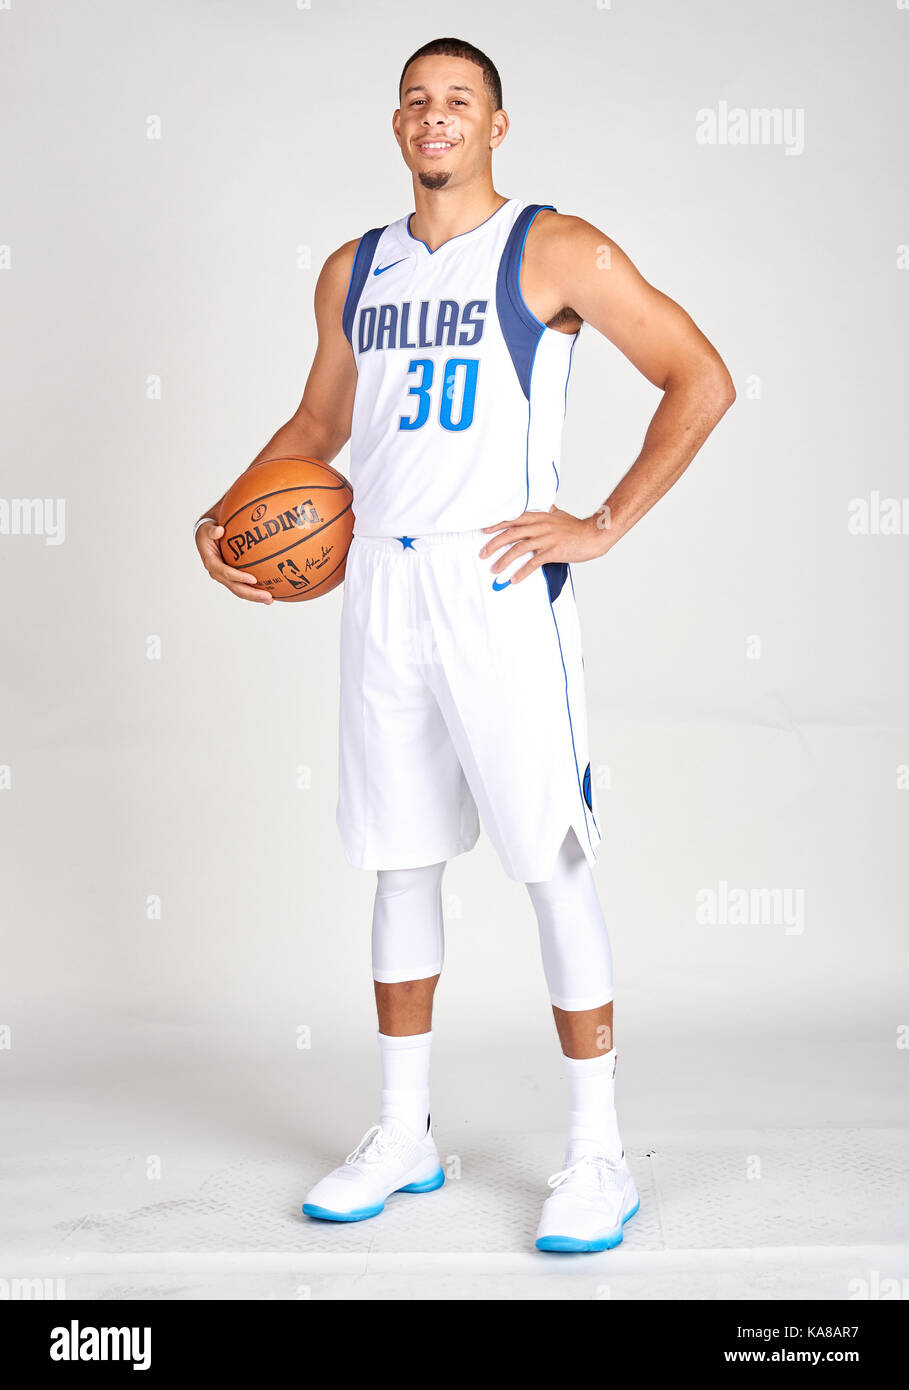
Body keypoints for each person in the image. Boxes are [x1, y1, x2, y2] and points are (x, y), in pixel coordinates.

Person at [194, 36, 735, 1253]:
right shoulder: (353, 269)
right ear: (397, 126)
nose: (435, 118)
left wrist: (600, 522)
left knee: (549, 860)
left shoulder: (556, 248)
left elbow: (698, 376)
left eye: (460, 102)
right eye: (416, 102)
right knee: (398, 861)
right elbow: (318, 421)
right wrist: (224, 514)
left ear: (497, 126)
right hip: (380, 588)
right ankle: (403, 1131)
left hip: (497, 586)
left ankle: (595, 1152)